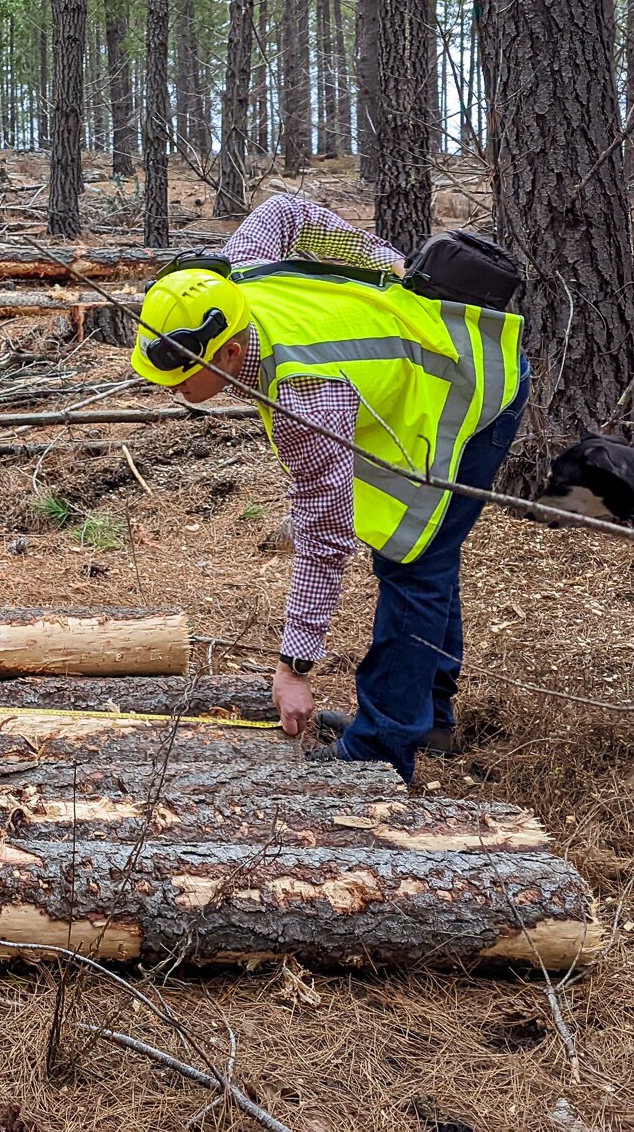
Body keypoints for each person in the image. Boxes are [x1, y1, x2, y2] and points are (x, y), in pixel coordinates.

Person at [127, 195, 524, 782]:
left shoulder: (303, 397)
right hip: (416, 369)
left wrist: (294, 666)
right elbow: (287, 210)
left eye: (184, 377)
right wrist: (386, 261)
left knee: (413, 561)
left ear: (232, 352)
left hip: (471, 385)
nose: (176, 390)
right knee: (422, 555)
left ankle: (381, 751)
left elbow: (326, 533)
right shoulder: (233, 276)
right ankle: (429, 714)